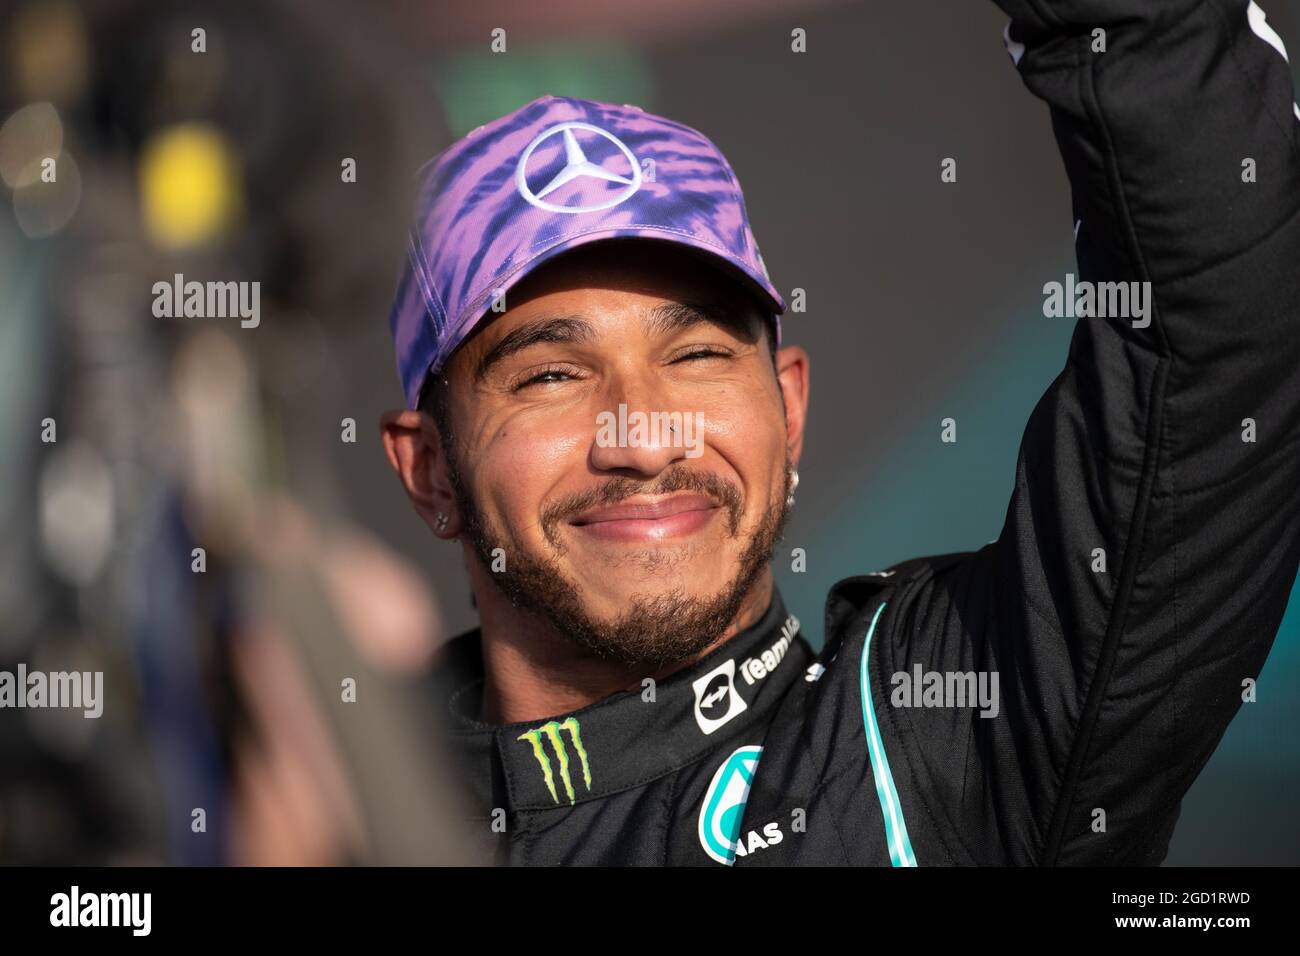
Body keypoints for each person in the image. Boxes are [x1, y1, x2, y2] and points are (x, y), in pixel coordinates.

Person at [380, 0, 1300, 865]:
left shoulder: (943, 738)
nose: (647, 435)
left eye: (696, 355)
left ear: (788, 408)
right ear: (429, 472)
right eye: (551, 375)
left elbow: (1219, 329)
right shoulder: (331, 803)